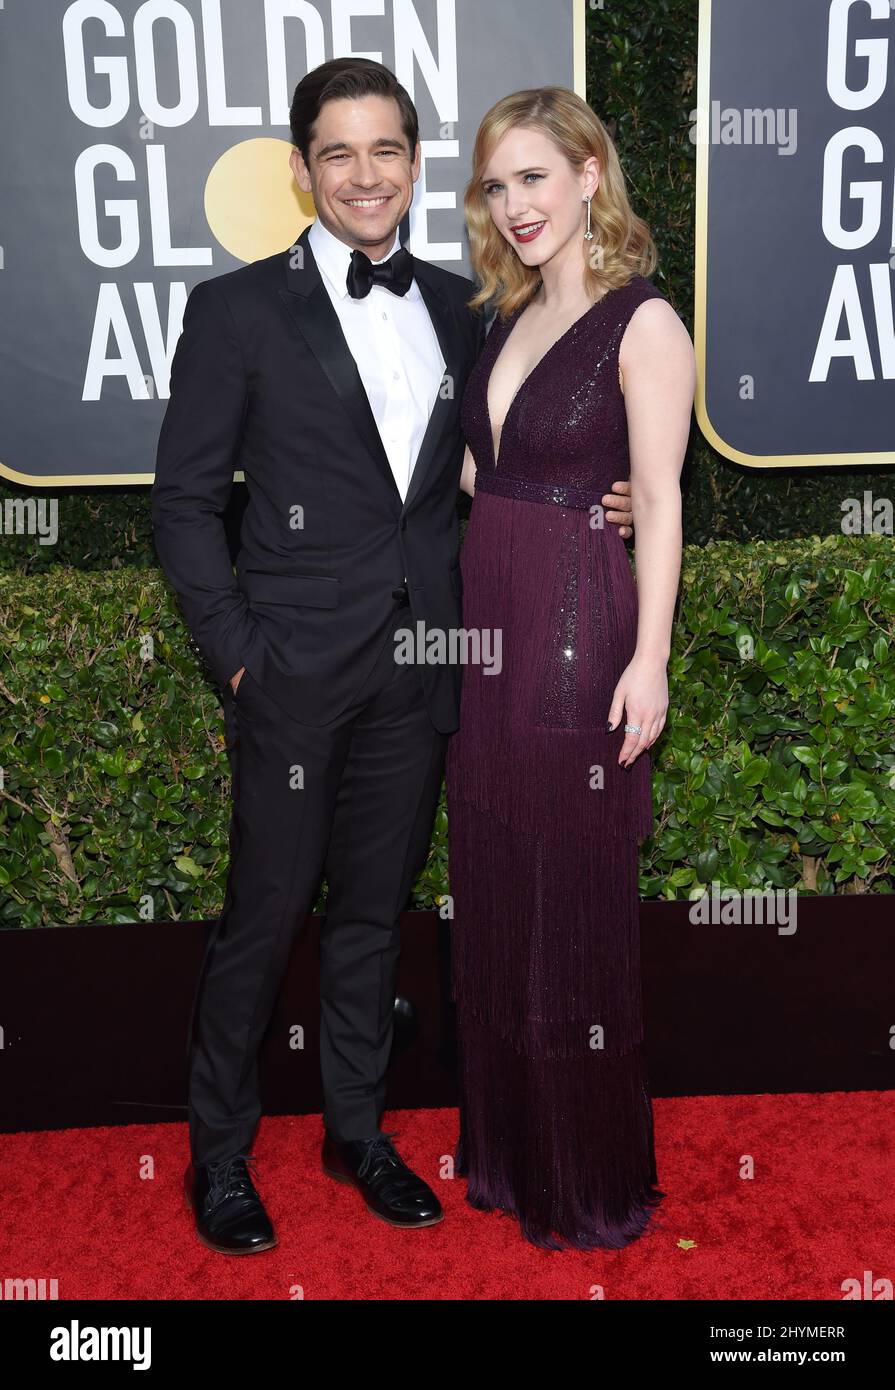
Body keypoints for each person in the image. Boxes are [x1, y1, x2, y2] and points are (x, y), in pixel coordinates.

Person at [151, 55, 639, 1254]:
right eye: (337, 153)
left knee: (373, 917)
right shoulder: (236, 311)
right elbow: (181, 503)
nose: (363, 175)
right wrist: (239, 658)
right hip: (291, 674)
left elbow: (518, 460)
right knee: (262, 918)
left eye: (385, 151)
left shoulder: (466, 307)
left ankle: (357, 1132)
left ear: (413, 166)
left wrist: (607, 505)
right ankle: (219, 1156)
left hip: (427, 668)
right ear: (302, 170)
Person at [445, 86, 695, 1249]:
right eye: (497, 185)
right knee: (496, 882)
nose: (514, 204)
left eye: (534, 176)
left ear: (591, 173)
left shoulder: (640, 321)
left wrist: (647, 658)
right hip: (491, 630)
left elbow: (656, 494)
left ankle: (583, 1181)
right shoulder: (506, 316)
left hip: (570, 634)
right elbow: (475, 475)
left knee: (564, 897)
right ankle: (507, 1155)